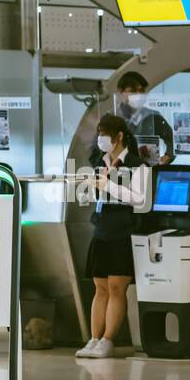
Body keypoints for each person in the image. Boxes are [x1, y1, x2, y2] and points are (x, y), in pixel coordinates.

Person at [78, 114, 149, 360]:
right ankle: (94, 338)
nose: (101, 140)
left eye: (105, 135)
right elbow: (96, 196)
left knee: (118, 287)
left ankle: (109, 339)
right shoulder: (99, 162)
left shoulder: (137, 165)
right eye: (99, 135)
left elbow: (139, 198)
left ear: (119, 136)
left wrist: (108, 186)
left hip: (123, 228)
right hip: (101, 228)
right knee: (100, 287)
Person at [102, 71, 174, 168]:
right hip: (119, 173)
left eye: (142, 90)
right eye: (133, 91)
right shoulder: (111, 117)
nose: (138, 95)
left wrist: (168, 156)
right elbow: (97, 150)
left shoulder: (153, 116)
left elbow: (172, 139)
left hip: (147, 171)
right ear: (121, 93)